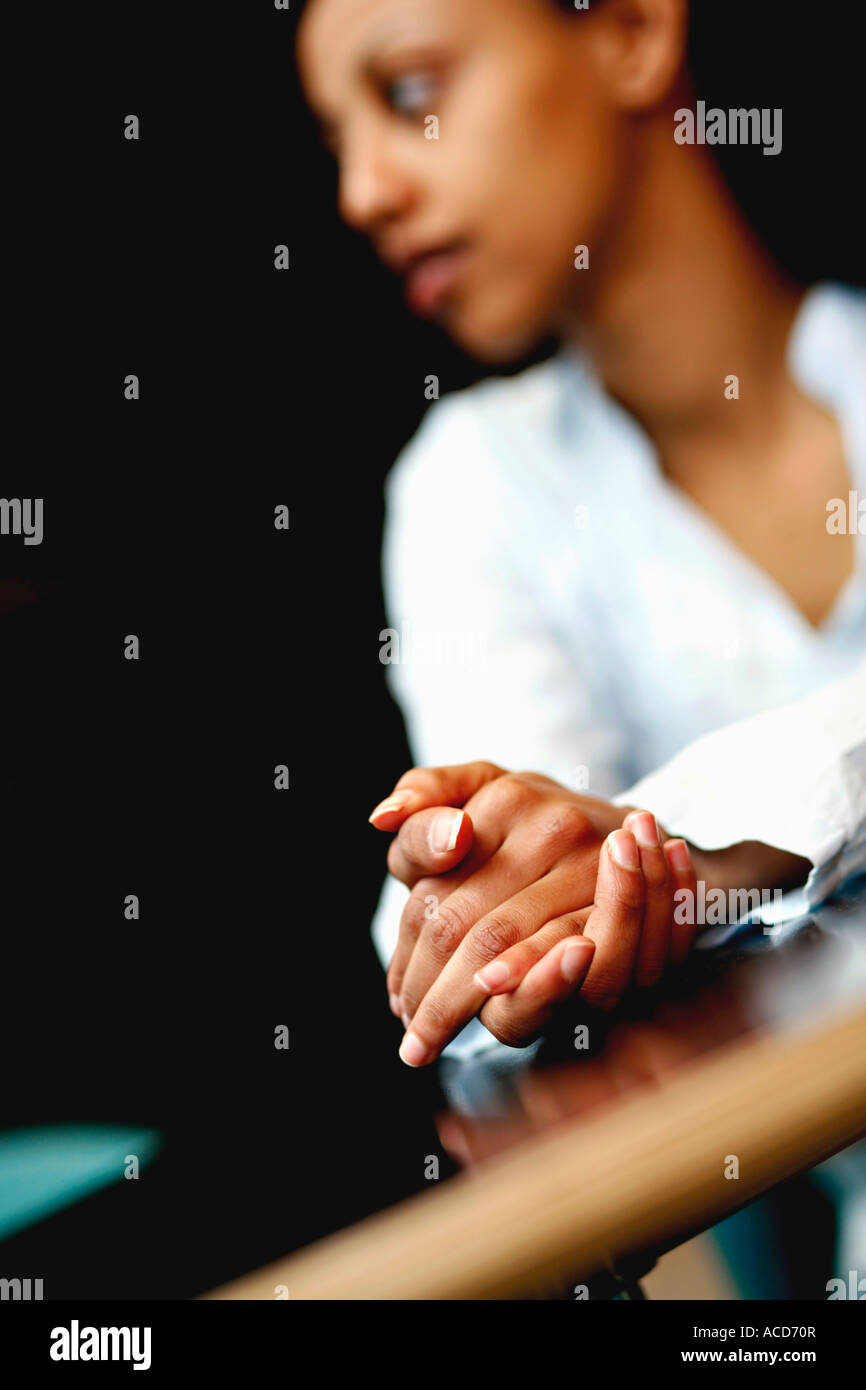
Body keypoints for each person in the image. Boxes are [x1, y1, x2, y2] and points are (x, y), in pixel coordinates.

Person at [296, 0, 865, 1055]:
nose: (362, 193)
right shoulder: (473, 484)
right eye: (337, 140)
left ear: (633, 33)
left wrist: (702, 846)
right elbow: (494, 935)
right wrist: (478, 899)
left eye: (409, 95)